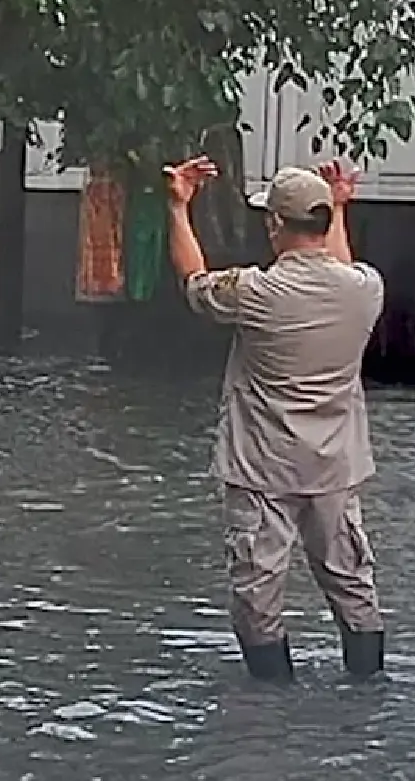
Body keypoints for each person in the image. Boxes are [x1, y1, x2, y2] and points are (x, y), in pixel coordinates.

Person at [165, 154, 387, 682]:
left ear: (274, 225)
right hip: (334, 466)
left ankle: (272, 702)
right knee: (352, 584)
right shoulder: (366, 289)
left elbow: (194, 280)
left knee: (258, 596)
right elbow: (339, 268)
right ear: (324, 222)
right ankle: (367, 686)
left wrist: (177, 208)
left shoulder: (255, 292)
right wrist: (339, 207)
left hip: (263, 469)